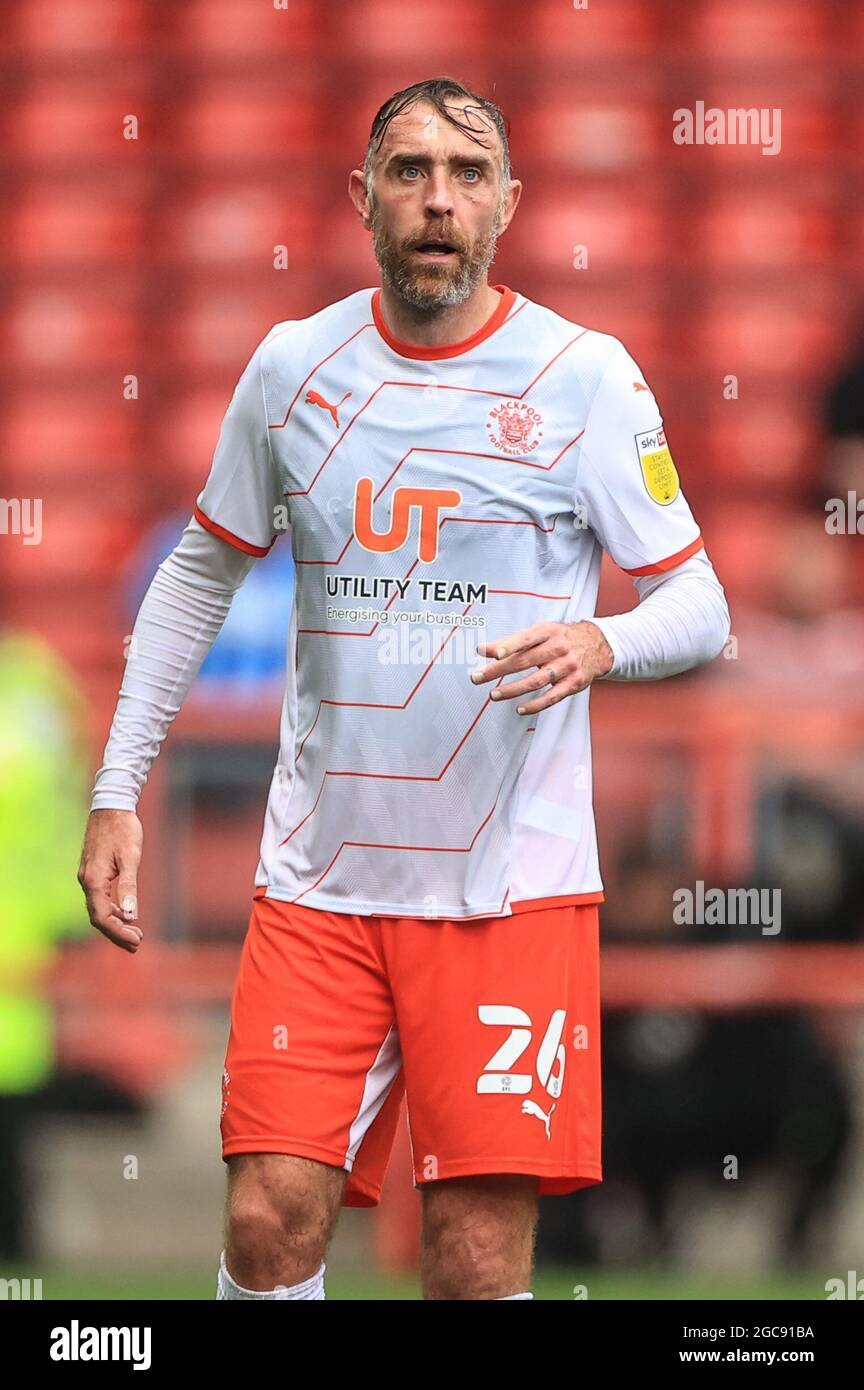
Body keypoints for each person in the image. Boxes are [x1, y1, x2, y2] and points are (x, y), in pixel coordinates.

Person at [77, 76, 731, 1301]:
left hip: (508, 896)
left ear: (510, 206)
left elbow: (701, 603)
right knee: (269, 1224)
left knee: (473, 1262)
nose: (440, 200)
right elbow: (196, 578)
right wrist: (118, 787)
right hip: (320, 886)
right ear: (361, 197)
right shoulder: (291, 368)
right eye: (411, 171)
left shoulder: (584, 378)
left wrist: (603, 643)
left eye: (469, 175)